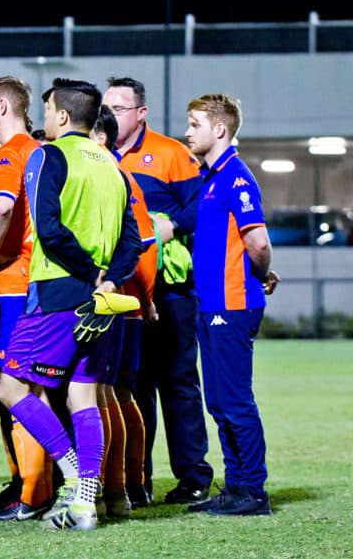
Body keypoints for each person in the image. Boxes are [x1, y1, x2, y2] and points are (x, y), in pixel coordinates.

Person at [0, 78, 143, 532]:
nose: (44, 119)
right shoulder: (113, 166)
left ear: (61, 115)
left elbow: (49, 229)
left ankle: (77, 476)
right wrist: (109, 278)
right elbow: (133, 242)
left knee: (10, 388)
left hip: (57, 293)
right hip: (102, 299)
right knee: (83, 395)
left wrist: (89, 272)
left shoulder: (47, 156)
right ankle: (85, 505)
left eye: (47, 111)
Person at [104, 76, 213, 506]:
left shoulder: (170, 153)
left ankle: (194, 478)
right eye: (107, 108)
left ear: (141, 113)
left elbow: (203, 203)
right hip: (124, 292)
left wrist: (175, 225)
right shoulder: (100, 154)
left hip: (170, 289)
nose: (110, 116)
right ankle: (138, 480)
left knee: (179, 381)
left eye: (119, 109)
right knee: (133, 386)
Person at [184, 93, 279, 516]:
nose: (188, 132)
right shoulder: (211, 178)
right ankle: (236, 485)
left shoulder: (236, 177)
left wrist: (261, 273)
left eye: (195, 124)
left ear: (219, 129)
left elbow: (258, 243)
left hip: (232, 304)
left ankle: (252, 491)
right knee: (220, 402)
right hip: (211, 304)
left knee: (235, 400)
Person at [0, 76, 51, 523]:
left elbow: (2, 207)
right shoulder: (38, 151)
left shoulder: (11, 152)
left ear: (3, 107)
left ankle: (34, 493)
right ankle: (29, 484)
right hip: (32, 285)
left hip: (13, 289)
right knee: (22, 392)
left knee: (16, 390)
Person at [91, 105, 159, 518]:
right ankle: (126, 484)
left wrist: (146, 300)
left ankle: (124, 483)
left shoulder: (115, 177)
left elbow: (143, 245)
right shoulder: (114, 174)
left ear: (98, 137)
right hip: (120, 303)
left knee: (109, 393)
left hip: (118, 305)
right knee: (113, 393)